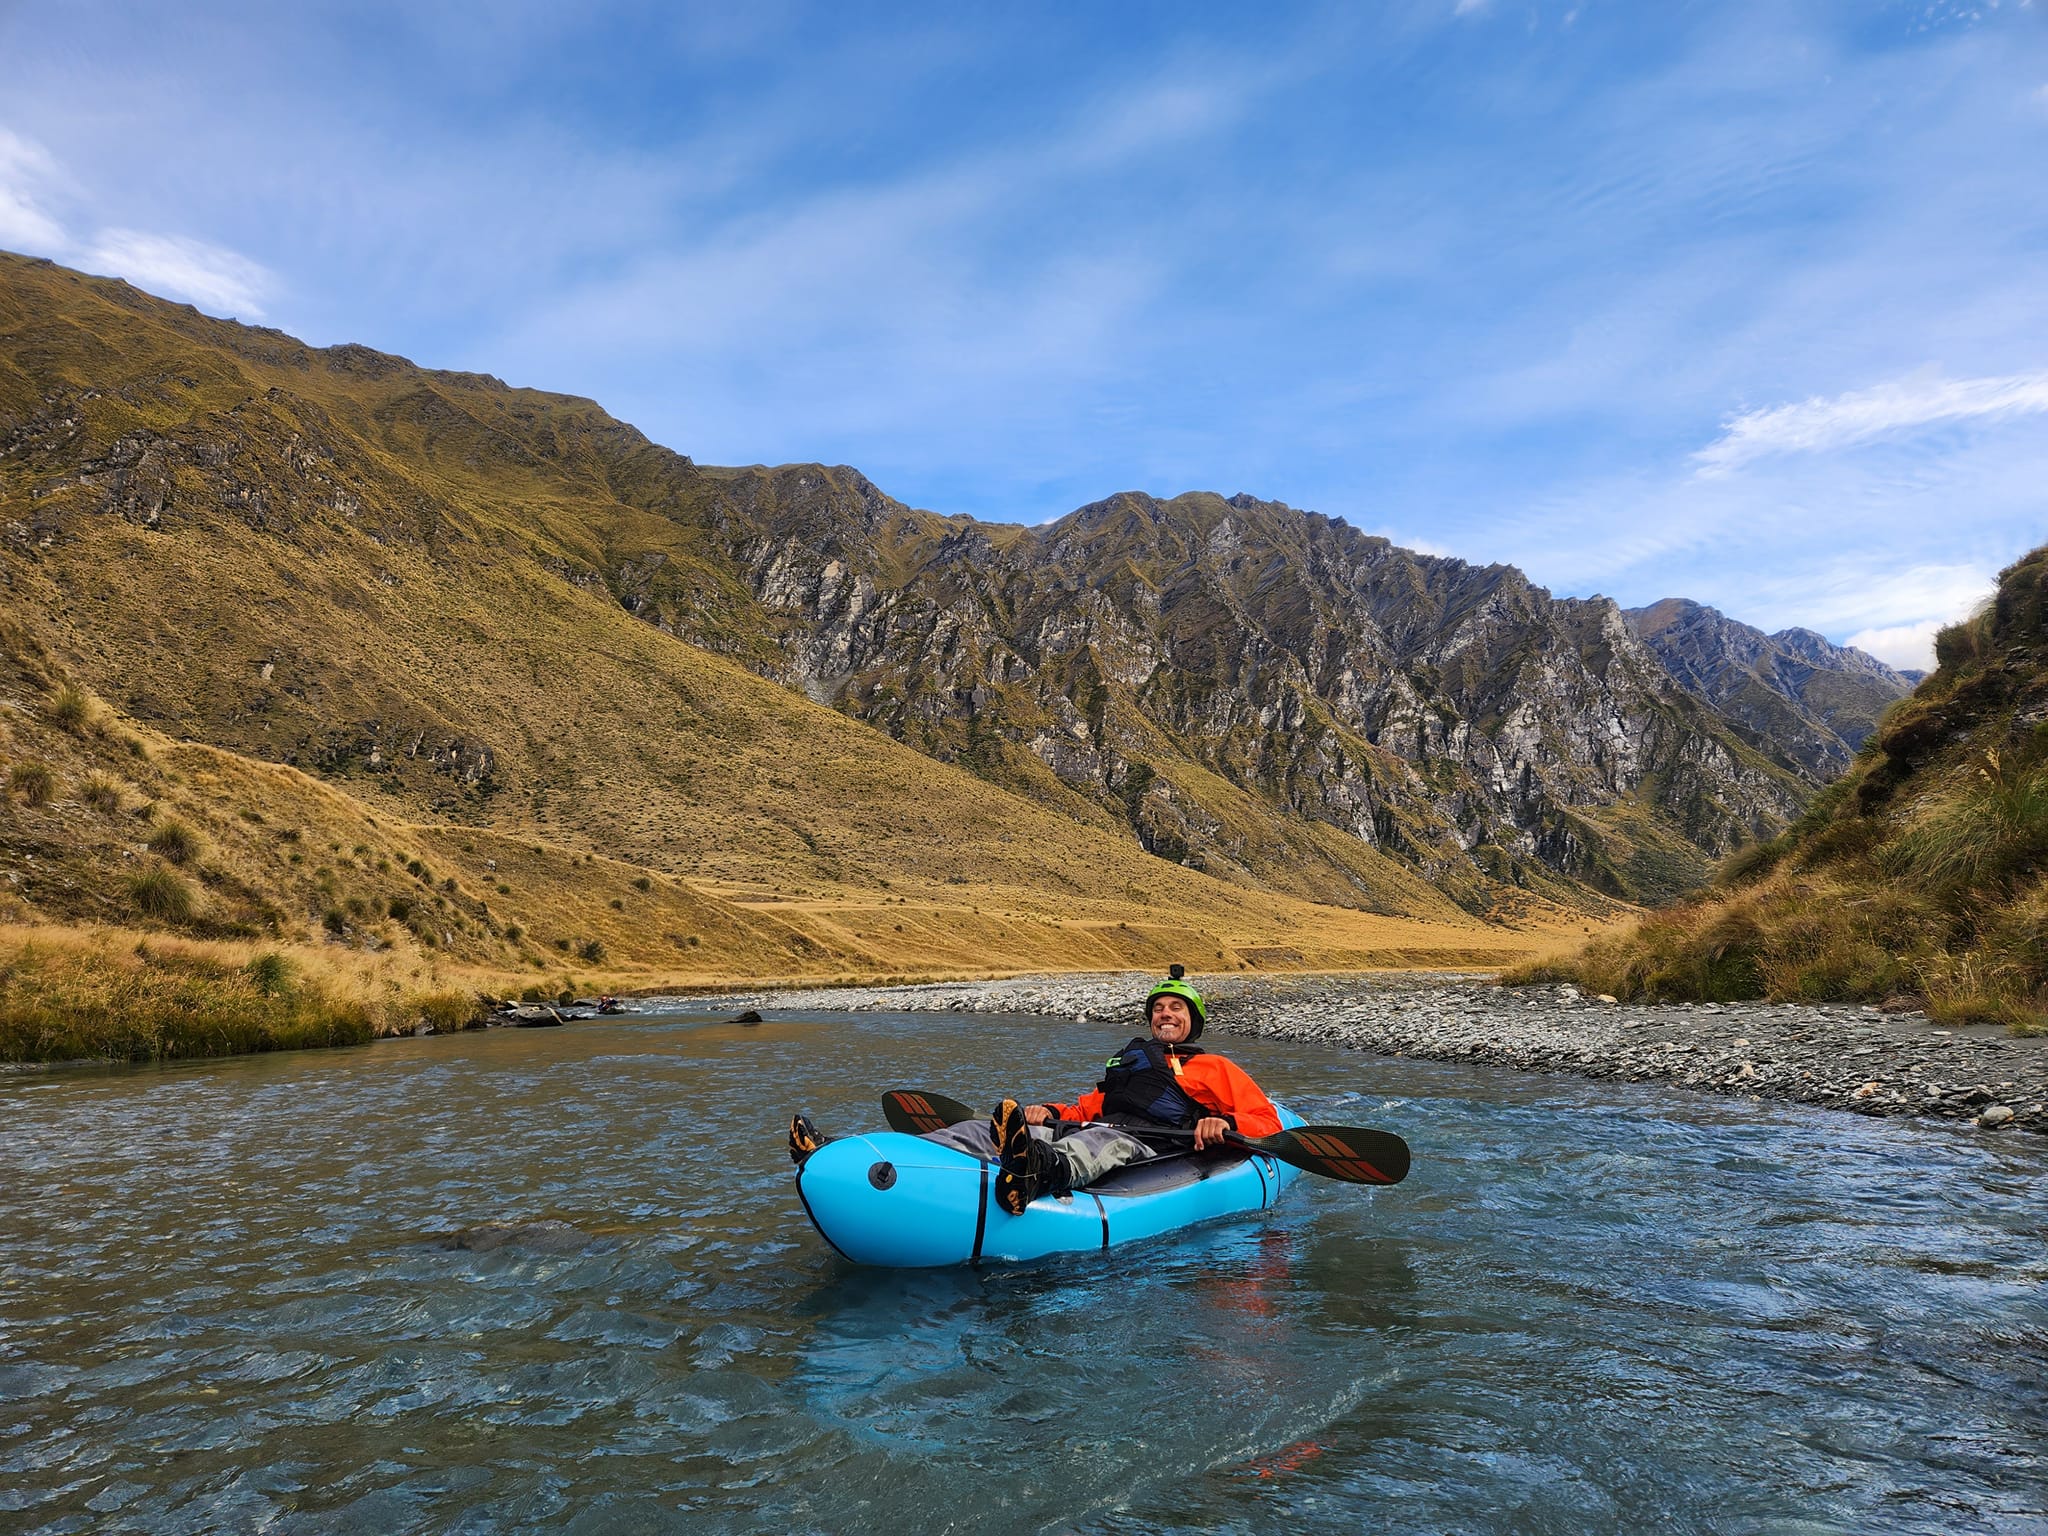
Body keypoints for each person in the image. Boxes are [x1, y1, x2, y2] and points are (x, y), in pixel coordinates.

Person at [788, 967, 1281, 1217]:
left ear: (1192, 1021)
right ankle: (853, 1152)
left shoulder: (1213, 1065)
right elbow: (1090, 1107)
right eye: (1159, 1010)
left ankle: (1040, 1173)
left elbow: (1265, 1122)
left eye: (1176, 1010)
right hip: (1098, 1124)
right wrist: (1049, 1111)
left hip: (1149, 1145)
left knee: (1098, 1142)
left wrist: (1225, 1124)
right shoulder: (1131, 1060)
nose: (1165, 1015)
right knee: (980, 1127)